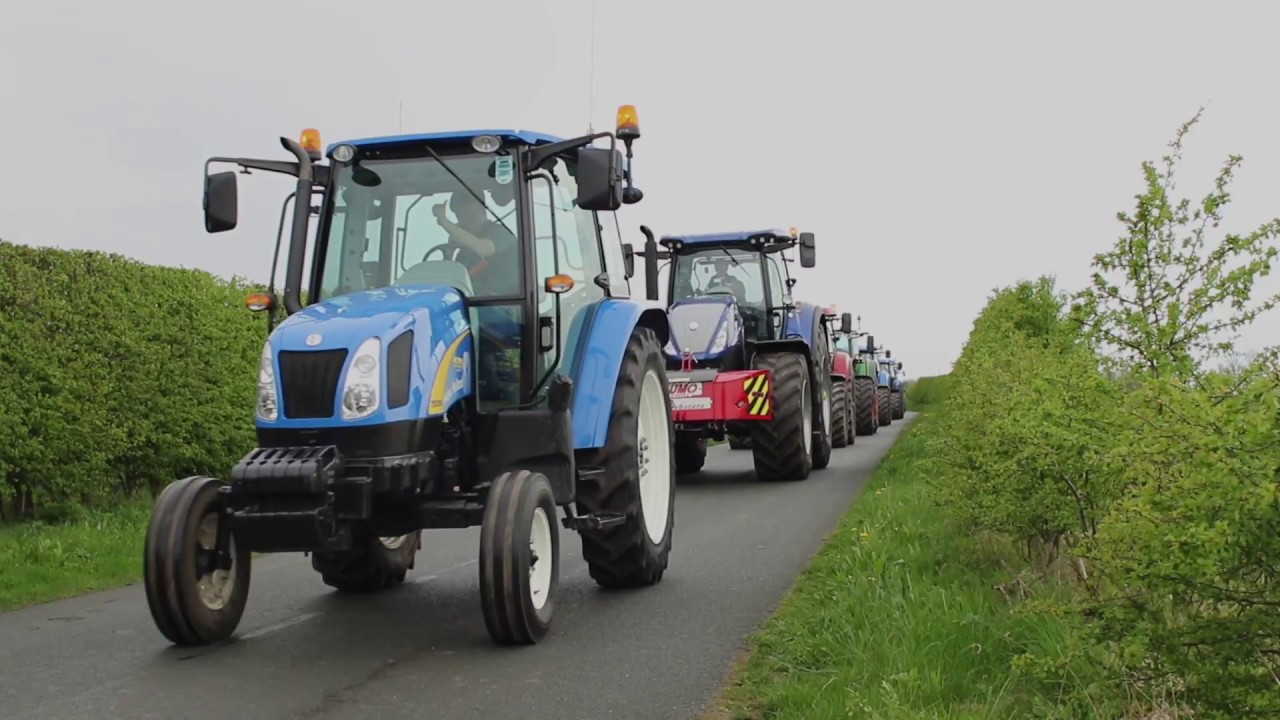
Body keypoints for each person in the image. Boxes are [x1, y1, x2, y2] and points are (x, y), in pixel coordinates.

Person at [431, 190, 519, 296]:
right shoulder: (465, 253)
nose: (464, 220)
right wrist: (449, 254)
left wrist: (444, 222)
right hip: (473, 301)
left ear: (482, 210)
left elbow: (486, 249)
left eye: (470, 214)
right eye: (459, 216)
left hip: (504, 303)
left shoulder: (499, 233)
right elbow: (455, 281)